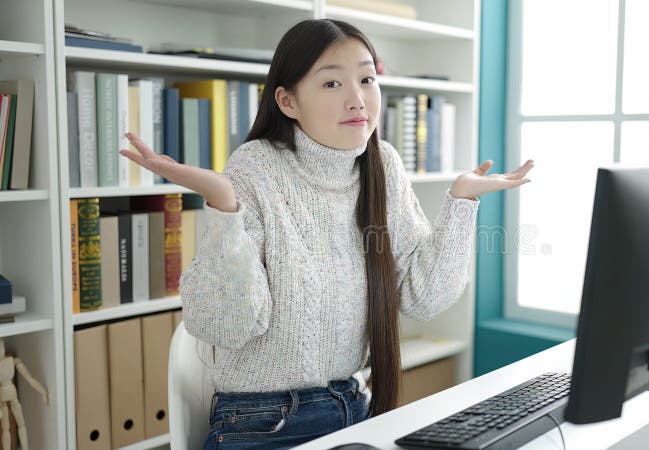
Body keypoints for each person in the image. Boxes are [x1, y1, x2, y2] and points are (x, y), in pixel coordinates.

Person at [121, 18, 533, 450]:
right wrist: (225, 208)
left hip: (355, 407)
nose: (357, 100)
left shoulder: (382, 165)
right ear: (288, 100)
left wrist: (461, 201)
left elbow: (422, 298)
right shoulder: (255, 168)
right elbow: (228, 325)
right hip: (262, 424)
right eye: (332, 84)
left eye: (366, 78)